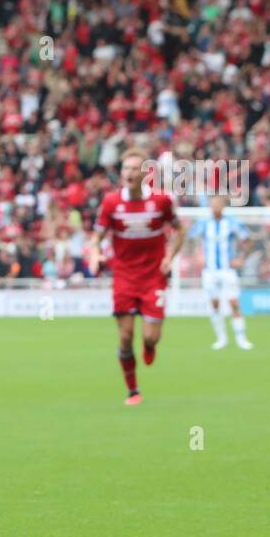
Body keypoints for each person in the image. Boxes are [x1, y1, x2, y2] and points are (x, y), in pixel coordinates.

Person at [86, 149, 184, 405]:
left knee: (150, 337)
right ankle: (133, 391)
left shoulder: (161, 201)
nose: (128, 173)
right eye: (125, 169)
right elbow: (96, 236)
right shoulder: (110, 202)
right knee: (126, 336)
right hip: (124, 277)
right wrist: (95, 254)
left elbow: (179, 230)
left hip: (153, 277)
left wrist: (169, 257)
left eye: (133, 169)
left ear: (145, 173)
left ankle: (150, 347)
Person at [190, 195, 253, 350]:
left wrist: (241, 258)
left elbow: (248, 239)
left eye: (218, 203)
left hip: (227, 270)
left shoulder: (232, 222)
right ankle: (221, 338)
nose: (215, 206)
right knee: (215, 303)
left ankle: (241, 338)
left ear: (224, 205)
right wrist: (196, 254)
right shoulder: (203, 223)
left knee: (234, 302)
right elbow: (190, 238)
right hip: (210, 271)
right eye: (213, 203)